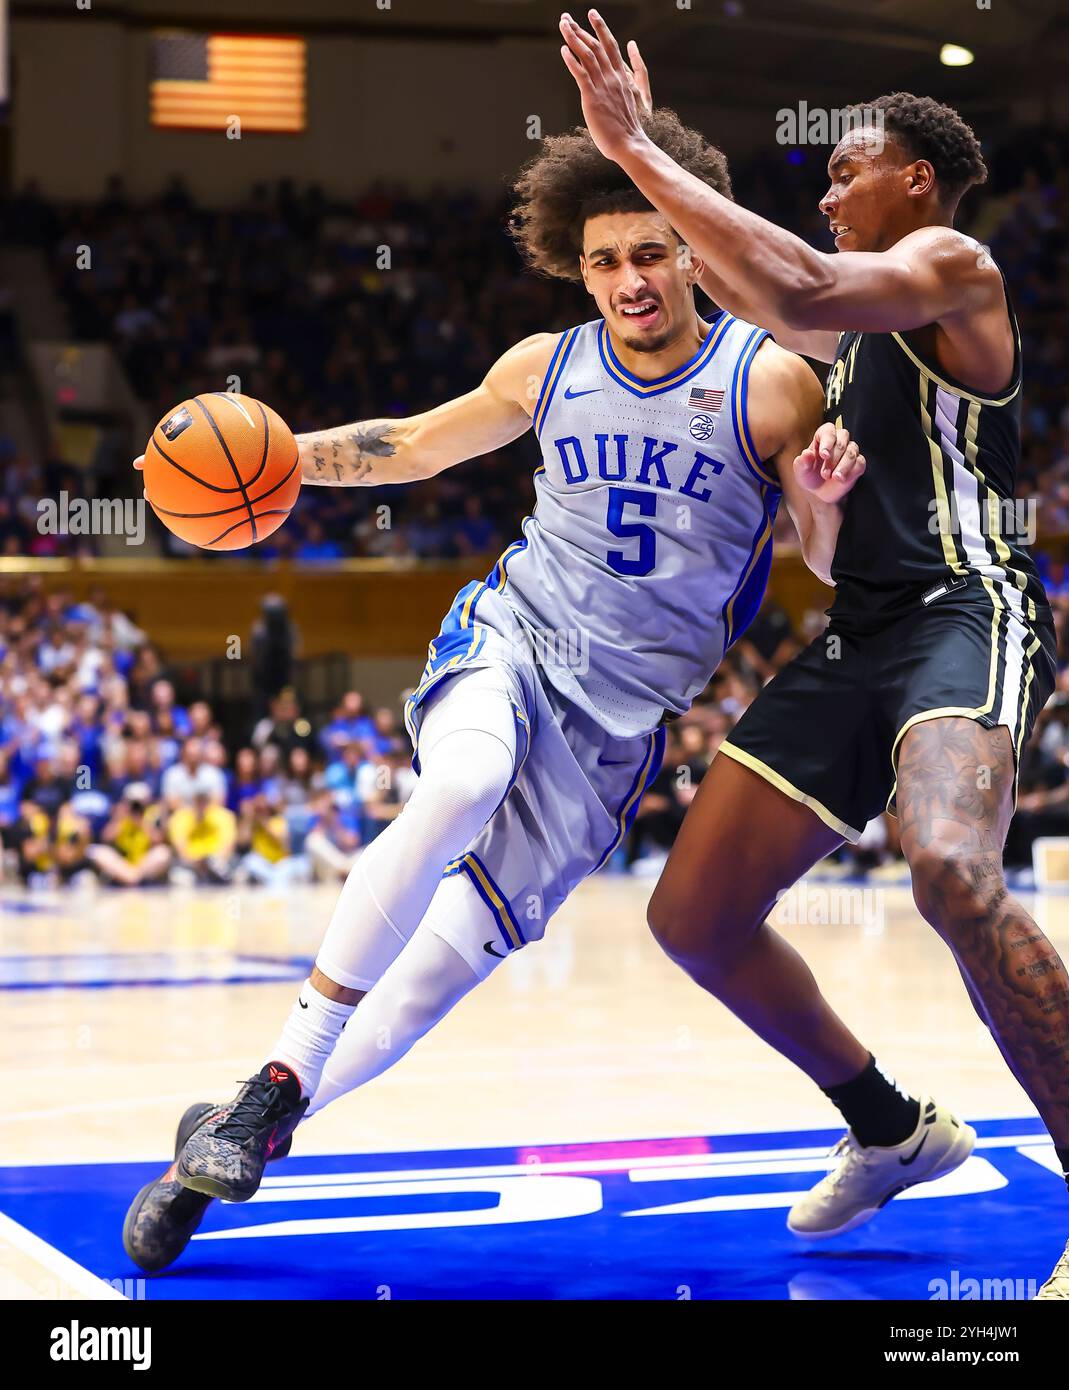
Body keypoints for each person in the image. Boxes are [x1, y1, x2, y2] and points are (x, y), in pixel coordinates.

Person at [122, 107, 869, 1271]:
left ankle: (229, 1134)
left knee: (426, 983)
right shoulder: (545, 365)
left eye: (650, 251)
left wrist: (820, 501)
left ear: (692, 247)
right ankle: (278, 1075)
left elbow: (822, 562)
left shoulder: (771, 382)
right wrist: (272, 459)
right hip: (515, 638)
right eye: (603, 260)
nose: (628, 278)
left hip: (616, 728)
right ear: (579, 266)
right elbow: (416, 444)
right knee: (460, 780)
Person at [558, 10, 1067, 1297]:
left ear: (917, 180)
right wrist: (819, 504)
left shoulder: (953, 265)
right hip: (863, 630)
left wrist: (633, 150)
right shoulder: (838, 359)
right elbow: (823, 549)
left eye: (848, 172)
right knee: (693, 915)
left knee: (949, 867)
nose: (828, 192)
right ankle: (890, 1126)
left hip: (966, 609)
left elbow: (785, 286)